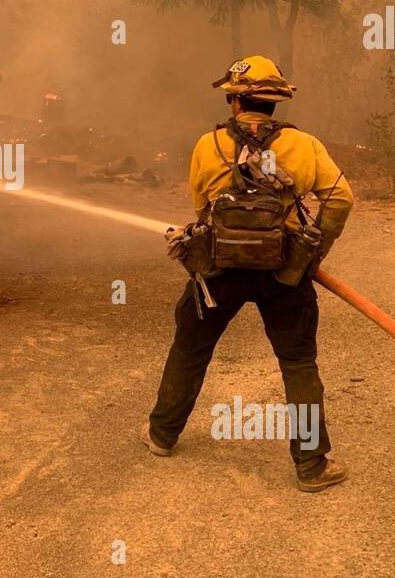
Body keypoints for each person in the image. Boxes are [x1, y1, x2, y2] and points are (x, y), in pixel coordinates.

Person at [141, 56, 355, 492]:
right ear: (274, 102)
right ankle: (311, 465)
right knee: (297, 362)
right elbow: (341, 199)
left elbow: (201, 208)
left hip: (219, 272)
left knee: (190, 347)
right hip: (285, 275)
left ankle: (162, 435)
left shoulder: (207, 145)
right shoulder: (306, 145)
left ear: (237, 102)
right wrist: (312, 253)